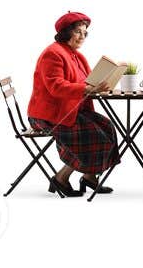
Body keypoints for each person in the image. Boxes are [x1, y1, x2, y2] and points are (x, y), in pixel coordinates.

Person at [28, 11, 119, 197]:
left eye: (85, 33)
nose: (82, 36)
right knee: (90, 133)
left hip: (69, 111)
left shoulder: (77, 56)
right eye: (78, 32)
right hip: (46, 115)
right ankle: (60, 178)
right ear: (65, 32)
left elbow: (88, 82)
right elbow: (56, 86)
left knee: (106, 126)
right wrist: (87, 89)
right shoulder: (52, 54)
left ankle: (89, 176)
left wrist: (100, 85)